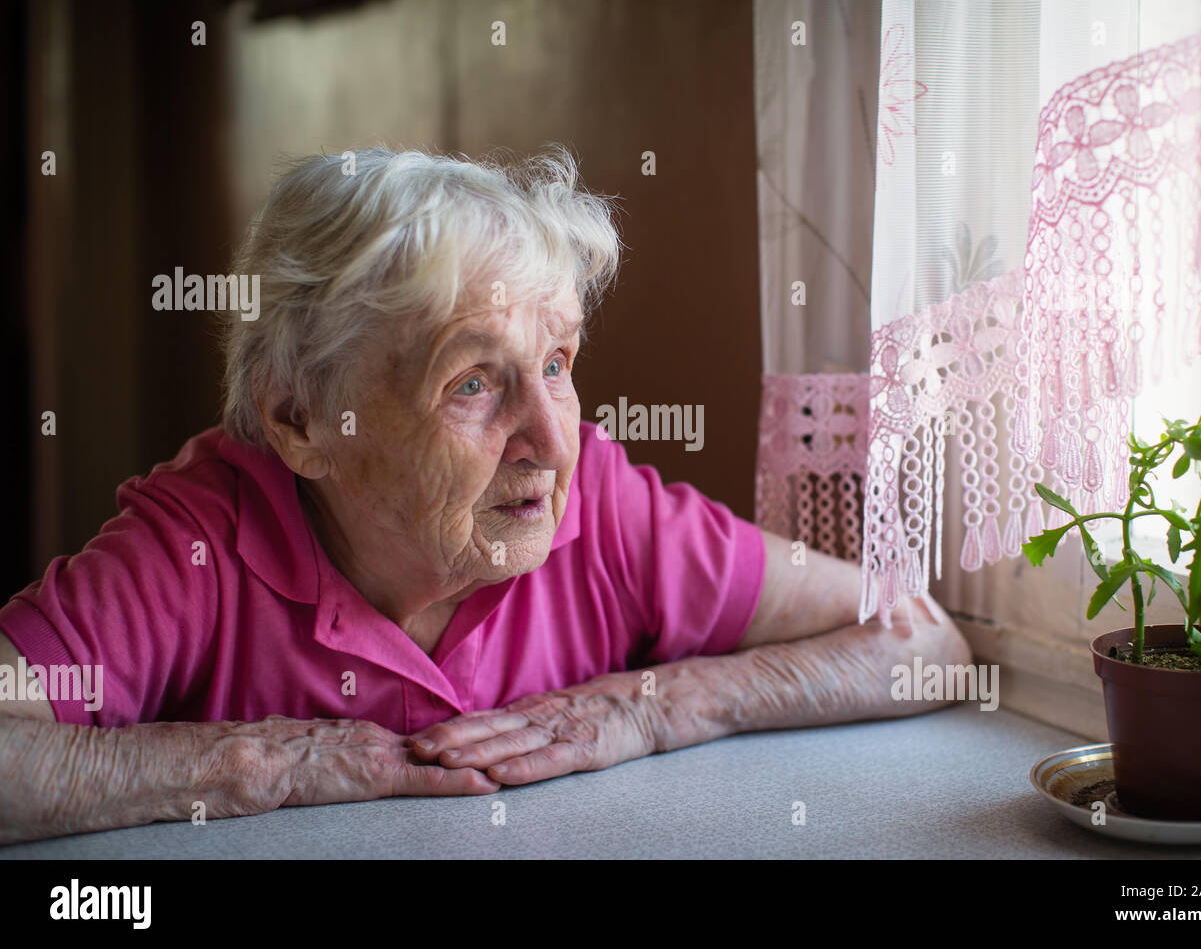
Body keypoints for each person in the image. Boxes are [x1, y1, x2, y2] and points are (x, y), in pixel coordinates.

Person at [0, 146, 972, 844]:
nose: (554, 441)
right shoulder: (200, 543)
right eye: (472, 382)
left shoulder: (600, 505)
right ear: (300, 420)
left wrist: (657, 704)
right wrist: (256, 765)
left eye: (555, 363)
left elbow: (917, 635)